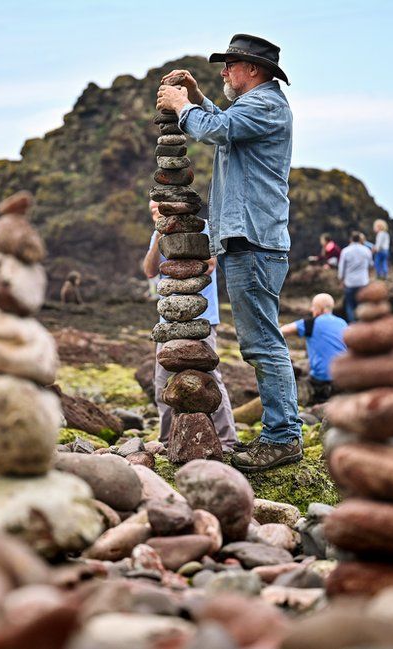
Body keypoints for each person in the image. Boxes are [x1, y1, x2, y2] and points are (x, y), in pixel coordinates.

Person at [157, 34, 301, 472]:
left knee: (262, 344)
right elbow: (225, 126)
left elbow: (218, 130)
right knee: (260, 342)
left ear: (252, 70)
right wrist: (197, 97)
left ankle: (282, 437)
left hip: (255, 241)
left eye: (229, 65)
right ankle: (280, 433)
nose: (223, 73)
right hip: (248, 240)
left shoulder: (268, 106)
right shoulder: (252, 108)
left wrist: (184, 107)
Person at [143, 200, 237, 451]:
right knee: (162, 381)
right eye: (152, 209)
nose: (155, 212)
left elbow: (210, 264)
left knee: (210, 378)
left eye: (159, 208)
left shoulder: (202, 227)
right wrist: (159, 235)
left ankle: (228, 440)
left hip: (203, 317)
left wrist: (179, 274)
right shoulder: (158, 233)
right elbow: (150, 271)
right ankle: (166, 441)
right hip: (169, 321)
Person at [280, 293, 347, 405]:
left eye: (313, 307)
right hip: (343, 377)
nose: (311, 310)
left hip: (322, 381)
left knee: (299, 373)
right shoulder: (343, 323)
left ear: (320, 309)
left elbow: (283, 331)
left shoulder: (311, 323)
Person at [338, 232, 373, 323]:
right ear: (360, 239)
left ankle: (353, 324)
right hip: (363, 282)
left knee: (350, 305)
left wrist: (341, 280)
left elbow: (341, 268)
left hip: (350, 282)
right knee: (361, 303)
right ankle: (362, 322)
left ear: (351, 240)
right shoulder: (366, 250)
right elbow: (371, 265)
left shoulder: (345, 251)